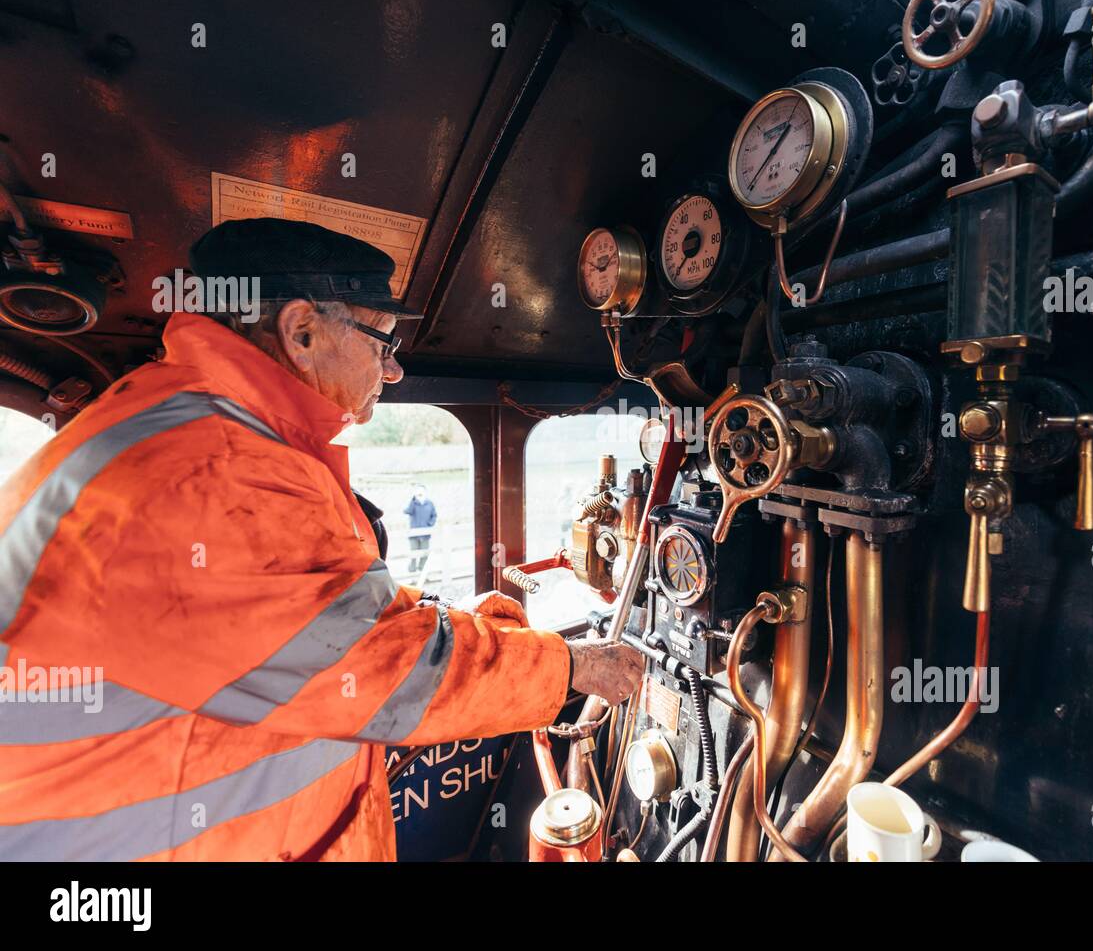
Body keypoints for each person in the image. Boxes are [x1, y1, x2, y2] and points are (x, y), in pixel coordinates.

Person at [0, 218, 642, 860]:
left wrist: (458, 622)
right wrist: (574, 666)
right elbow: (378, 670)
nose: (392, 371)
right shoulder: (213, 470)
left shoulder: (199, 428)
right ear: (302, 332)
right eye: (382, 341)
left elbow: (323, 620)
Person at [404, 484, 437, 574]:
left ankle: (422, 572)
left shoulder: (429, 504)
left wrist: (429, 524)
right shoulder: (413, 503)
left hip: (425, 534)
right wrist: (413, 500)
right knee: (413, 554)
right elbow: (407, 511)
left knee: (424, 555)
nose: (420, 493)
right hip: (414, 534)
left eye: (422, 491)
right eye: (418, 491)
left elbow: (434, 515)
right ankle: (412, 573)